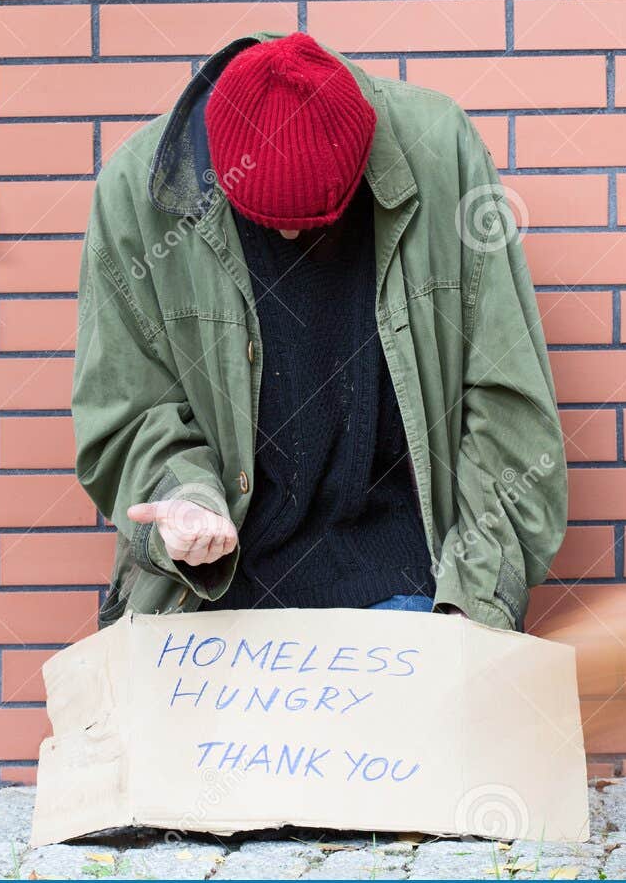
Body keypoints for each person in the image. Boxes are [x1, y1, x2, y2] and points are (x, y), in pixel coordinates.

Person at [72, 31, 566, 630]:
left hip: (408, 588)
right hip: (213, 598)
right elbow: (127, 412)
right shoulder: (138, 193)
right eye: (267, 222)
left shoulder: (440, 154)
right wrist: (186, 499)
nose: (289, 240)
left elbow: (507, 405)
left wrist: (472, 604)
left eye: (314, 224)